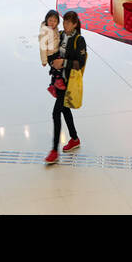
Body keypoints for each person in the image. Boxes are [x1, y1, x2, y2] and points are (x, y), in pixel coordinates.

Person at [45, 10, 85, 165]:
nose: (66, 25)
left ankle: (54, 150)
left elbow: (79, 63)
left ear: (75, 24)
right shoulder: (60, 35)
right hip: (58, 79)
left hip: (68, 82)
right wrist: (51, 62)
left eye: (69, 22)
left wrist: (64, 63)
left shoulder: (79, 40)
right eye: (65, 22)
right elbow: (52, 52)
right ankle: (74, 139)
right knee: (64, 109)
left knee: (56, 113)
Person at [39, 10, 64, 98]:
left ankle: (53, 85)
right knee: (57, 69)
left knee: (56, 69)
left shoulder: (55, 29)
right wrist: (44, 60)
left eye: (55, 21)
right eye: (50, 20)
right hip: (50, 55)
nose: (52, 23)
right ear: (46, 20)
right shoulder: (44, 32)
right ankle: (56, 83)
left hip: (56, 52)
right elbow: (42, 47)